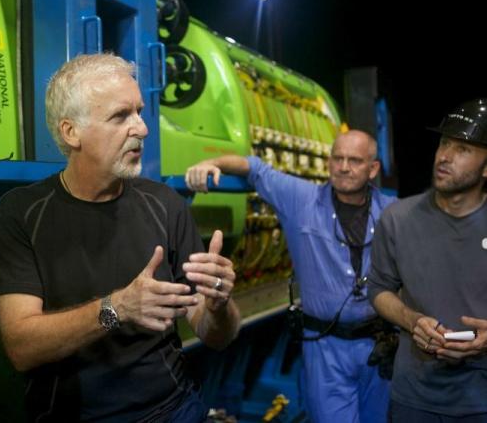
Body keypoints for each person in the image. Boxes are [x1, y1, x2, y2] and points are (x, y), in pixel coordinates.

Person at [0, 53, 241, 423]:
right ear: (71, 132)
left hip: (173, 410)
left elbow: (217, 336)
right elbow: (20, 347)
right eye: (121, 116)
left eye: (139, 112)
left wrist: (220, 306)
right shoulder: (22, 213)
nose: (142, 129)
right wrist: (117, 308)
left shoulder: (166, 207)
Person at [185, 130, 396, 423]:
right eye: (338, 158)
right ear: (329, 162)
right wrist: (212, 164)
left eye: (355, 161)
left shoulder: (392, 213)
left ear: (373, 168)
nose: (344, 166)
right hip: (324, 348)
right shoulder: (301, 200)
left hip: (379, 345)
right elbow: (255, 168)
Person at [368, 98, 487, 422]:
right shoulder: (397, 219)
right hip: (414, 398)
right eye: (444, 144)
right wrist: (411, 320)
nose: (445, 156)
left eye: (463, 149)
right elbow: (378, 289)